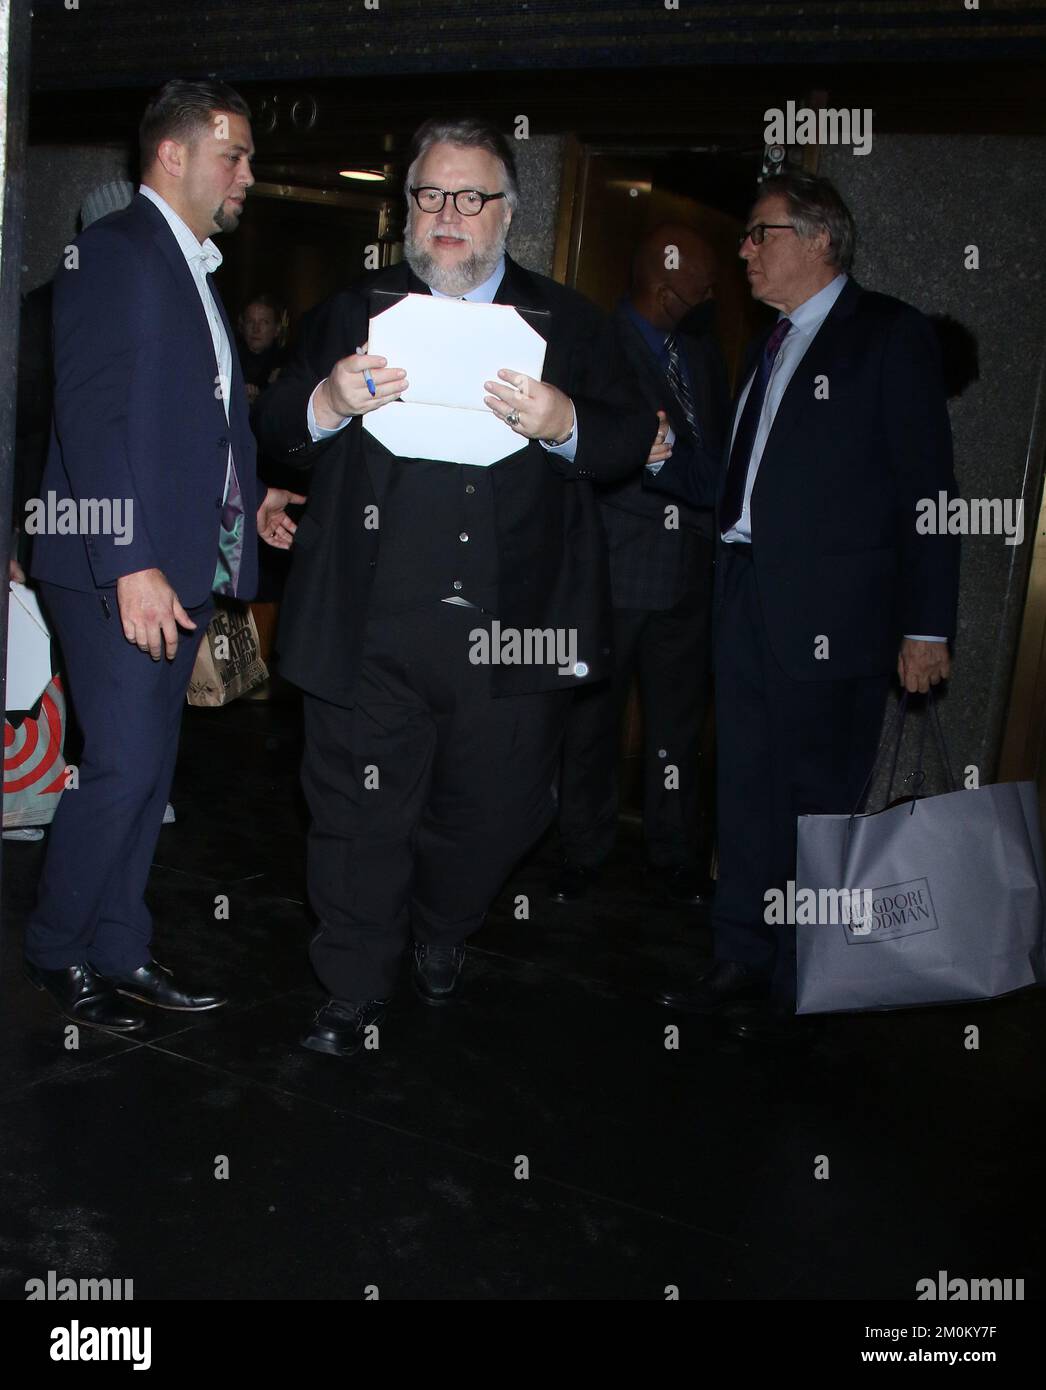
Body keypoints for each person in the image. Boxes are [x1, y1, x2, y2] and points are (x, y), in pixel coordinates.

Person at [254, 116, 655, 1058]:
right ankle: (351, 988)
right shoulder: (351, 311)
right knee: (356, 818)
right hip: (368, 630)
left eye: (470, 198)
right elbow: (273, 425)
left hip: (512, 639)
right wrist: (323, 404)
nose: (448, 215)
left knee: (495, 815)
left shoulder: (572, 323)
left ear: (507, 213)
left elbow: (631, 438)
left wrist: (563, 421)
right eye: (431, 195)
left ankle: (443, 924)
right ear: (407, 210)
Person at [651, 170, 960, 1035]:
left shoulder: (888, 336)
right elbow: (734, 487)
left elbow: (928, 490)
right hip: (744, 596)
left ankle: (801, 979)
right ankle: (739, 955)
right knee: (745, 788)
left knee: (818, 802)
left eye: (761, 233)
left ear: (820, 240)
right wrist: (657, 452)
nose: (743, 250)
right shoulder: (768, 345)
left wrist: (927, 624)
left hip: (837, 619)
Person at [24, 78, 301, 1033]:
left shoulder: (189, 264)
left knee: (148, 772)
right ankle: (58, 949)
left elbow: (193, 421)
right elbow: (91, 417)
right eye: (237, 156)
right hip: (114, 568)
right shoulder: (116, 253)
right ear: (172, 156)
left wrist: (247, 497)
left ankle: (119, 943)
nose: (250, 176)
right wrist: (132, 560)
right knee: (123, 768)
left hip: (170, 560)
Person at [551, 224, 729, 907]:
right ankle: (582, 852)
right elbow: (596, 451)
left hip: (689, 570)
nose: (715, 289)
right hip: (617, 568)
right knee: (592, 721)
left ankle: (674, 856)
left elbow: (714, 458)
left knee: (677, 727)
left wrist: (683, 475)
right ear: (667, 282)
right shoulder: (599, 347)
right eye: (704, 280)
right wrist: (672, 470)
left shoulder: (704, 357)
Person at [237, 293, 287, 405]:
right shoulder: (229, 360)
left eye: (264, 323)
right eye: (250, 321)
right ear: (242, 325)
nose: (256, 329)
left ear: (277, 329)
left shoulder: (287, 367)